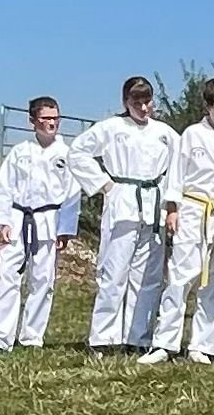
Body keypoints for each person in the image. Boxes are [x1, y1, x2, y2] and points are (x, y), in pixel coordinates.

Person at [68, 77, 180, 355]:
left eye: (147, 101)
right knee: (114, 272)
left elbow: (180, 166)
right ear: (125, 103)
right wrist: (104, 184)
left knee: (149, 276)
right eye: (136, 102)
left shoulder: (165, 132)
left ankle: (138, 337)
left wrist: (171, 204)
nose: (143, 108)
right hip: (122, 202)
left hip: (154, 203)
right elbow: (77, 152)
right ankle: (103, 338)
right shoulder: (110, 128)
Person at [140, 78, 214, 365]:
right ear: (208, 107)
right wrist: (172, 209)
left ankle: (203, 344)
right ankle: (165, 343)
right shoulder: (191, 135)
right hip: (193, 209)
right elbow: (176, 174)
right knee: (181, 276)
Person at [0, 97, 81, 352]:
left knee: (43, 281)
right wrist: (1, 222)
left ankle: (32, 337)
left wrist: (65, 229)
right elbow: (4, 188)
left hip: (49, 221)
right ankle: (2, 338)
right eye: (46, 118)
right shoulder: (20, 151)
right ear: (32, 120)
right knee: (6, 276)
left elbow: (72, 194)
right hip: (17, 218)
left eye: (56, 118)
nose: (52, 123)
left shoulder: (66, 155)